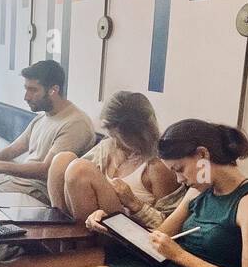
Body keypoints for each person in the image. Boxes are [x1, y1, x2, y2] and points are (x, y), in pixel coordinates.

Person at [0, 119, 248, 267]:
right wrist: (111, 224)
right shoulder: (199, 192)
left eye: (180, 170)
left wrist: (179, 256)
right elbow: (158, 238)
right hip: (156, 263)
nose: (180, 179)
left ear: (203, 156)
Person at [0, 59, 95, 203]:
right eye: (26, 89)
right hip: (9, 186)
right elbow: (14, 149)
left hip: (33, 195)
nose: (26, 97)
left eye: (33, 90)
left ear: (54, 90)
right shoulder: (42, 118)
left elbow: (45, 170)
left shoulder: (75, 124)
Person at [48, 91, 181, 229]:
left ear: (141, 134)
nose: (116, 144)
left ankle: (81, 244)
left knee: (80, 169)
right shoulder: (108, 146)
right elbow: (74, 185)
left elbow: (168, 226)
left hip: (128, 233)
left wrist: (134, 202)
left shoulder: (158, 165)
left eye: (122, 140)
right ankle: (58, 232)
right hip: (93, 220)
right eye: (112, 136)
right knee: (62, 159)